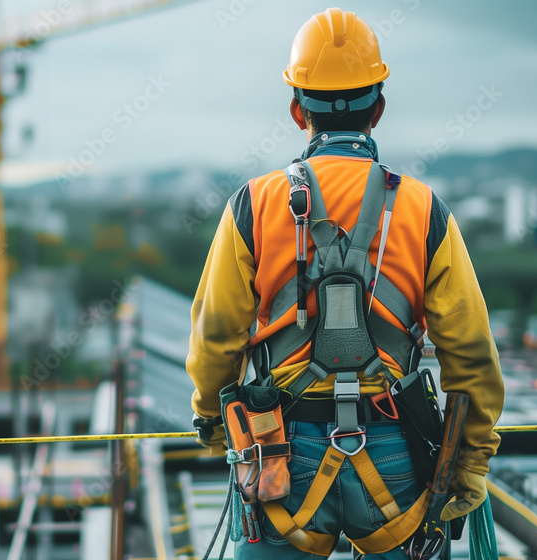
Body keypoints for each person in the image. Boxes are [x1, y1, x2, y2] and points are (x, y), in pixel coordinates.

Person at [186, 8, 505, 559]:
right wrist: (470, 461)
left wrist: (216, 425)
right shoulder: (424, 210)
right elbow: (470, 350)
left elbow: (216, 336)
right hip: (398, 451)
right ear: (378, 108)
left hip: (278, 449)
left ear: (295, 109)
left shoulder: (254, 206)